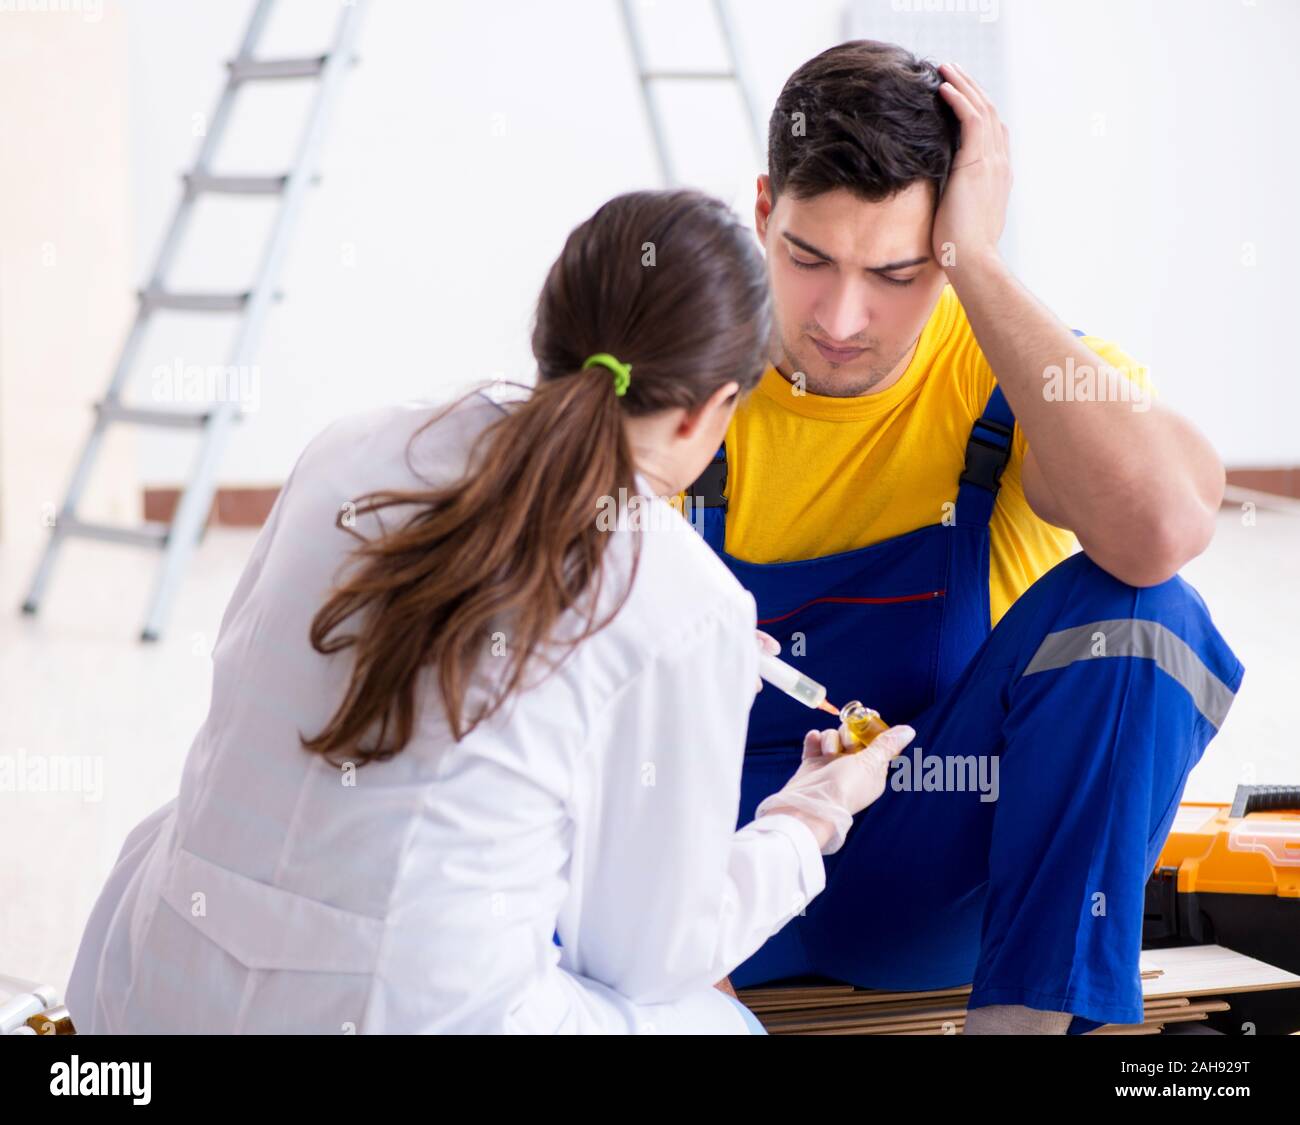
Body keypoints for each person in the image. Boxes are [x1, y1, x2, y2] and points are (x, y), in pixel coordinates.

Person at [63, 188, 915, 1035]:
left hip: (151, 994)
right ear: (709, 411)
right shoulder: (683, 599)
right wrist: (809, 820)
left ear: (548, 331)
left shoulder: (350, 445)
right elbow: (646, 958)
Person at [687, 41, 1244, 1034]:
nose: (842, 318)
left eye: (898, 271)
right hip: (705, 880)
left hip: (922, 877)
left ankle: (1027, 1022)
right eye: (808, 259)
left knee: (1141, 614)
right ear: (763, 213)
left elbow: (1162, 527)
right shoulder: (681, 382)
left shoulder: (1013, 372)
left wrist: (976, 266)